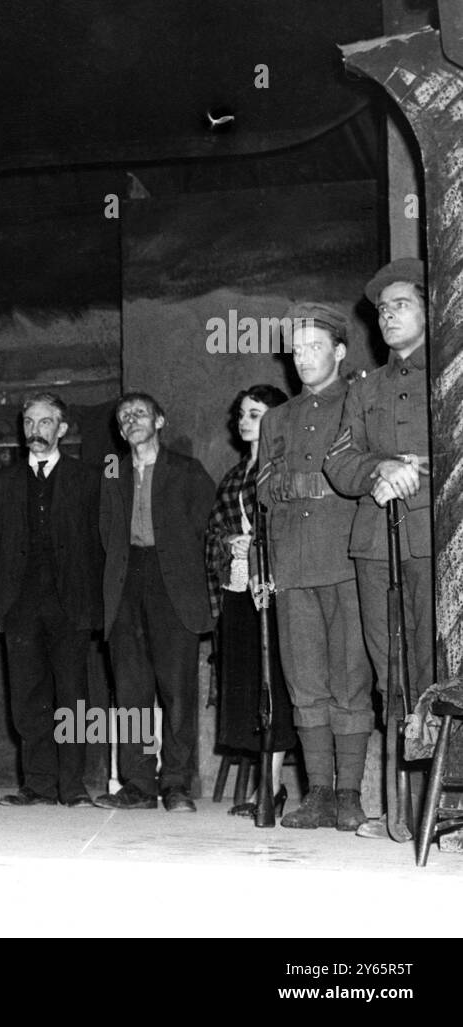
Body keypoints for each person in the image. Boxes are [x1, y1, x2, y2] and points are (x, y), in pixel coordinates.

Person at [324, 259, 433, 840]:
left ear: (430, 309)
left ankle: (444, 807)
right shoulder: (363, 388)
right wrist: (380, 470)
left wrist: (418, 469)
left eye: (402, 306)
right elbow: (339, 460)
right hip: (376, 547)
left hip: (440, 545)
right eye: (383, 310)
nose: (388, 316)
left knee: (438, 673)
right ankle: (400, 810)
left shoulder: (454, 374)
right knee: (392, 676)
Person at [258, 305, 373, 831]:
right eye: (297, 350)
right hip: (293, 564)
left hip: (348, 560)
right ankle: (319, 794)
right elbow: (263, 488)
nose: (303, 358)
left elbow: (362, 472)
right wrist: (287, 484)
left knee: (350, 681)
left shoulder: (360, 400)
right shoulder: (277, 418)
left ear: (340, 352)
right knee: (305, 685)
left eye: (315, 347)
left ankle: (349, 794)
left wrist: (304, 483)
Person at [96, 393, 216, 812]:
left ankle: (177, 784)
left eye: (140, 413)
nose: (131, 420)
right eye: (124, 416)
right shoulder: (112, 473)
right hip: (127, 584)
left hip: (173, 587)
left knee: (177, 692)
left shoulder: (187, 470)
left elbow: (210, 532)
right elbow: (104, 534)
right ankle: (138, 785)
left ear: (159, 420)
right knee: (130, 691)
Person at [0, 394, 102, 808]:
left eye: (45, 422)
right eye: (29, 422)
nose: (36, 430)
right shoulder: (1, 483)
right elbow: (1, 546)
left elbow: (97, 545)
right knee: (27, 696)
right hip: (21, 605)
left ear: (62, 429)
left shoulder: (88, 479)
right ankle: (36, 783)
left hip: (70, 604)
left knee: (73, 695)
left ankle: (72, 785)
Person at [204, 384, 294, 818]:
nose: (243, 421)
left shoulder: (286, 469)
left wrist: (258, 543)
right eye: (241, 413)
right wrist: (231, 542)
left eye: (254, 413)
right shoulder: (235, 474)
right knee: (249, 684)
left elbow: (294, 530)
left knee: (275, 683)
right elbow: (215, 531)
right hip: (240, 590)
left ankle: (271, 788)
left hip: (278, 592)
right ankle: (265, 783)